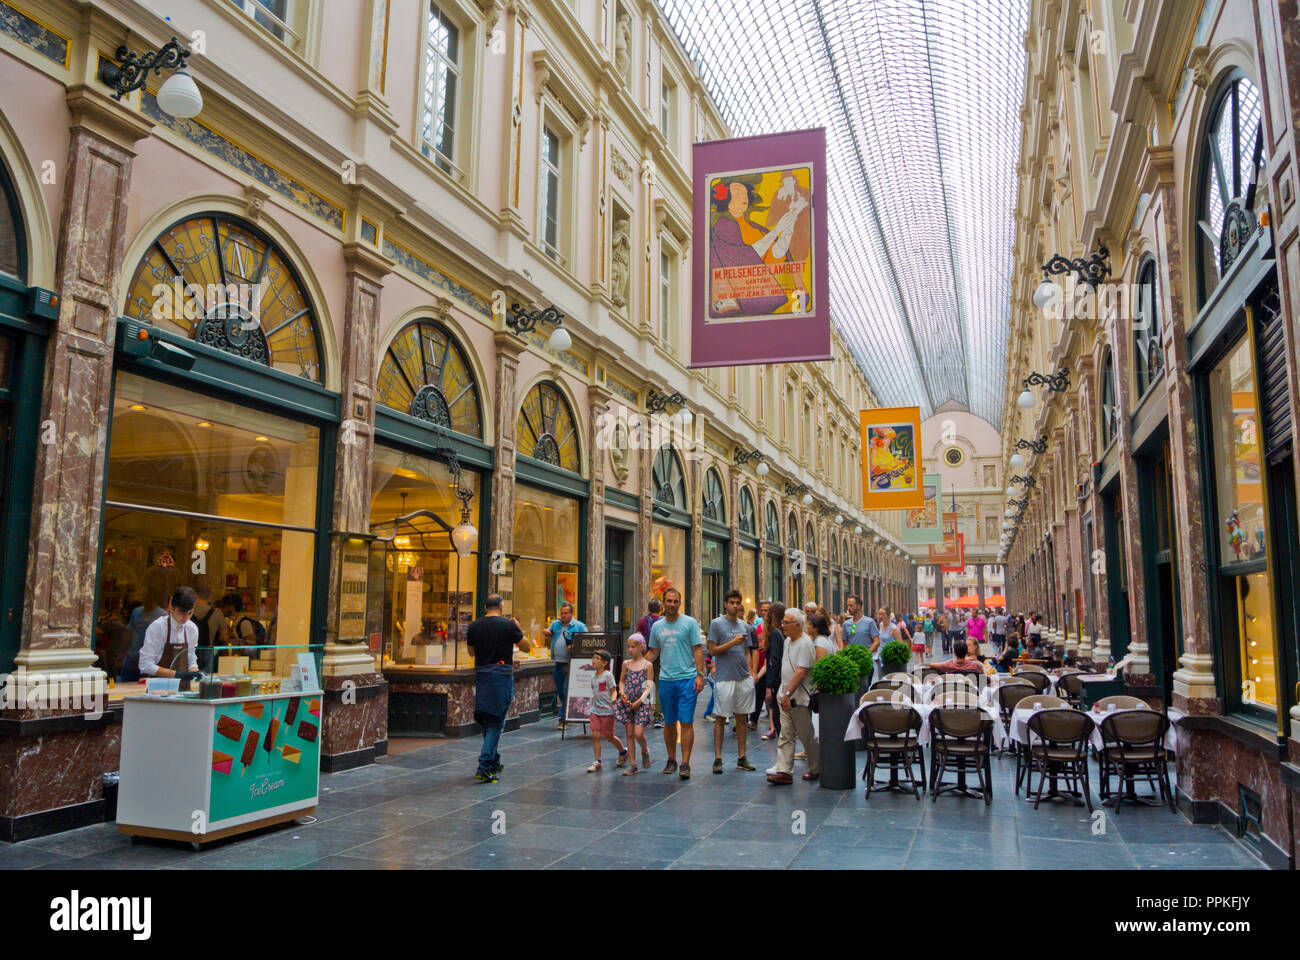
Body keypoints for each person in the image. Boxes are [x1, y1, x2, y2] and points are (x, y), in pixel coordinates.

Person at [466, 594, 531, 782]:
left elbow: (471, 652)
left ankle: (493, 760)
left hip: (482, 675)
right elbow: (525, 647)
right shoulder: (508, 625)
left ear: (485, 607)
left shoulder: (474, 626)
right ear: (501, 608)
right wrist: (519, 629)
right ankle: (484, 765)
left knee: (487, 718)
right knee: (496, 722)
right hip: (502, 676)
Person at [645, 587, 705, 779]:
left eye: (675, 601)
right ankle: (671, 759)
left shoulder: (689, 623)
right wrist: (637, 665)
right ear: (663, 603)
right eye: (669, 601)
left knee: (686, 722)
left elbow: (697, 649)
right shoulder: (657, 627)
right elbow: (653, 652)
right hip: (666, 680)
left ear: (680, 603)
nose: (672, 604)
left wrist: (700, 674)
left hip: (687, 679)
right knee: (669, 723)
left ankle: (685, 762)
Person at [706, 588, 758, 773]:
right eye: (732, 603)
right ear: (726, 604)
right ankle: (718, 758)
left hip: (743, 677)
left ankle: (742, 756)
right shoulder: (717, 624)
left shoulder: (745, 626)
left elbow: (747, 651)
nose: (735, 606)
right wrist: (732, 643)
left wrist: (752, 674)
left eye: (738, 603)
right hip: (724, 677)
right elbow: (712, 651)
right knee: (720, 717)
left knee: (742, 718)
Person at [767, 608, 819, 784]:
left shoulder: (805, 644)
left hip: (798, 698)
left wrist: (788, 694)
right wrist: (782, 693)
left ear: (798, 625)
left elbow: (801, 672)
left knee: (806, 735)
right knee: (786, 734)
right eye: (782, 622)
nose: (782, 625)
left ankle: (816, 768)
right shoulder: (788, 641)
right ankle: (785, 771)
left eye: (786, 622)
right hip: (785, 696)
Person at [139, 586, 200, 680]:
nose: (186, 617)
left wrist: (194, 671)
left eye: (190, 613)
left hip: (183, 688)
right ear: (171, 607)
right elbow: (145, 665)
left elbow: (191, 658)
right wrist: (177, 675)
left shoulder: (192, 629)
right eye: (181, 612)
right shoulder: (158, 627)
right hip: (158, 688)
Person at [616, 634, 654, 775]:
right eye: (629, 647)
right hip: (627, 703)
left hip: (641, 703)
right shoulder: (626, 664)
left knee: (638, 733)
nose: (630, 650)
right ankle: (633, 763)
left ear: (641, 647)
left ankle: (644, 750)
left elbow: (649, 685)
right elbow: (622, 681)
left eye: (633, 647)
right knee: (630, 733)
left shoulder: (647, 665)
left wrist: (640, 701)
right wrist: (622, 693)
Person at [586, 650, 628, 772]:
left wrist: (614, 698)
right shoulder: (593, 678)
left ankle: (623, 751)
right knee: (595, 734)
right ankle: (597, 761)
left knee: (609, 736)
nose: (594, 660)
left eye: (597, 658)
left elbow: (613, 690)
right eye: (593, 658)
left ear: (604, 663)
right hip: (595, 710)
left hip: (607, 711)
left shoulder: (608, 675)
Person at [547, 602, 587, 730]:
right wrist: (546, 631)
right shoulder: (556, 624)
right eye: (562, 613)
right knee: (560, 691)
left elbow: (587, 643)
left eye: (566, 613)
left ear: (571, 614)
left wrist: (575, 647)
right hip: (558, 663)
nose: (563, 616)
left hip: (570, 664)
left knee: (565, 690)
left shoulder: (579, 626)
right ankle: (568, 713)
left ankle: (562, 720)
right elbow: (549, 631)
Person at [637, 598, 665, 728]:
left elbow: (638, 639)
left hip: (646, 656)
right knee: (658, 685)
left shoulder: (643, 621)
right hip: (660, 656)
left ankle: (644, 714)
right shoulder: (663, 621)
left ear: (648, 608)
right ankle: (658, 716)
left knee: (646, 684)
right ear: (660, 609)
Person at [760, 601, 785, 742]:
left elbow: (774, 660)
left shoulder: (775, 634)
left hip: (777, 681)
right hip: (781, 678)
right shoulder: (782, 632)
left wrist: (769, 685)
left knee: (778, 718)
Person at [192, 583, 228, 648]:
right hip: (208, 653)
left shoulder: (187, 611)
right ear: (210, 597)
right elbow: (224, 638)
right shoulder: (217, 612)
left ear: (195, 595)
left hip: (188, 652)